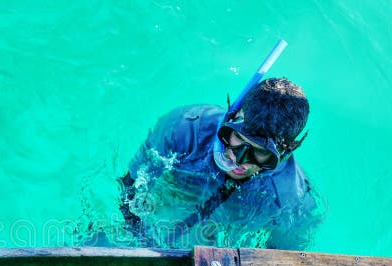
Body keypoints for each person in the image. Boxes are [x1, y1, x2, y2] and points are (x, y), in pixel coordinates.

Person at [116, 77, 324, 250]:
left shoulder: (288, 199)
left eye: (260, 152)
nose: (238, 160)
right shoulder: (184, 129)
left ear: (286, 152)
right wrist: (147, 246)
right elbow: (129, 185)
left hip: (228, 225)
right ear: (232, 116)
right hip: (173, 199)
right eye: (238, 139)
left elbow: (279, 261)